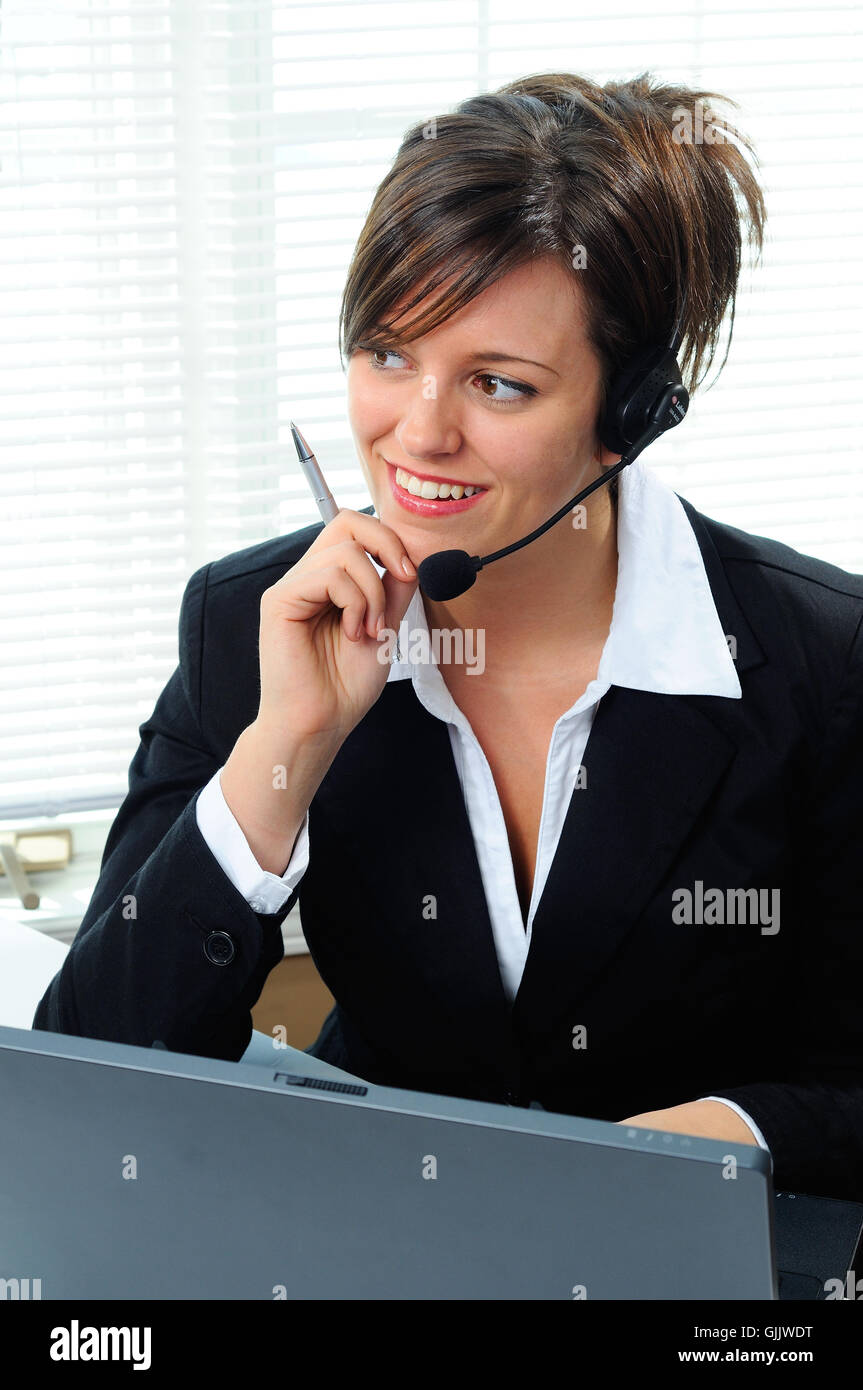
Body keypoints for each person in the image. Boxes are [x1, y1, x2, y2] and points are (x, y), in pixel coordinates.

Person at [34, 73, 863, 1202]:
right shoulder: (252, 622)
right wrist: (284, 749)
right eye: (386, 354)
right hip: (377, 1242)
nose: (415, 432)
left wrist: (704, 1150)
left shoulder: (817, 662)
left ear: (632, 415)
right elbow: (96, 1069)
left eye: (497, 384)